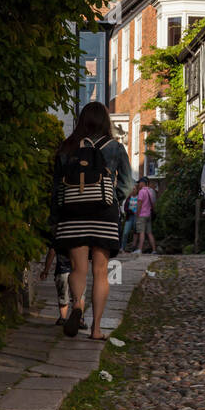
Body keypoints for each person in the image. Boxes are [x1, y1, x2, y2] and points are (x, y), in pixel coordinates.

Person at [51, 101, 132, 340]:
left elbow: (56, 188)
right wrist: (110, 199)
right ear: (105, 122)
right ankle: (96, 330)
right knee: (100, 272)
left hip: (73, 213)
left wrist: (55, 218)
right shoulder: (115, 148)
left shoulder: (67, 147)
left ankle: (77, 306)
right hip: (103, 215)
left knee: (78, 269)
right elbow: (127, 185)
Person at [133, 178, 157, 254]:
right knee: (149, 233)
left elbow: (139, 204)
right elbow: (153, 204)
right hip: (149, 215)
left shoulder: (141, 192)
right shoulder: (151, 191)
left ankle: (139, 249)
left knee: (141, 232)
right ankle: (154, 250)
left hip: (142, 215)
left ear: (143, 183)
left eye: (139, 183)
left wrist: (137, 214)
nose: (138, 184)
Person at [121, 183, 139, 252]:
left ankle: (134, 248)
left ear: (137, 190)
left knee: (135, 232)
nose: (133, 190)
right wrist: (130, 211)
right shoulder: (128, 198)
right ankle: (122, 247)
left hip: (136, 217)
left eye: (134, 189)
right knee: (125, 232)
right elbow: (125, 208)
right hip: (129, 217)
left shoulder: (139, 197)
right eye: (132, 189)